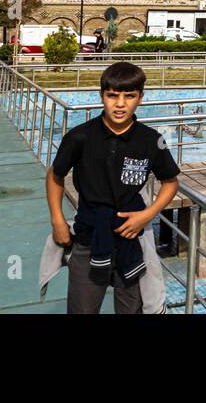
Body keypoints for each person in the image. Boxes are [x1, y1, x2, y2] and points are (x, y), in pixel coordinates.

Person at [46, 61, 180, 314]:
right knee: (82, 308)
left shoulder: (152, 140)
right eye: (112, 96)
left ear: (140, 98)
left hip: (132, 239)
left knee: (132, 310)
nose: (120, 104)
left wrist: (147, 215)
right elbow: (55, 174)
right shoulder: (80, 137)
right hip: (88, 235)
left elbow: (170, 182)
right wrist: (57, 220)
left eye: (129, 96)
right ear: (102, 96)